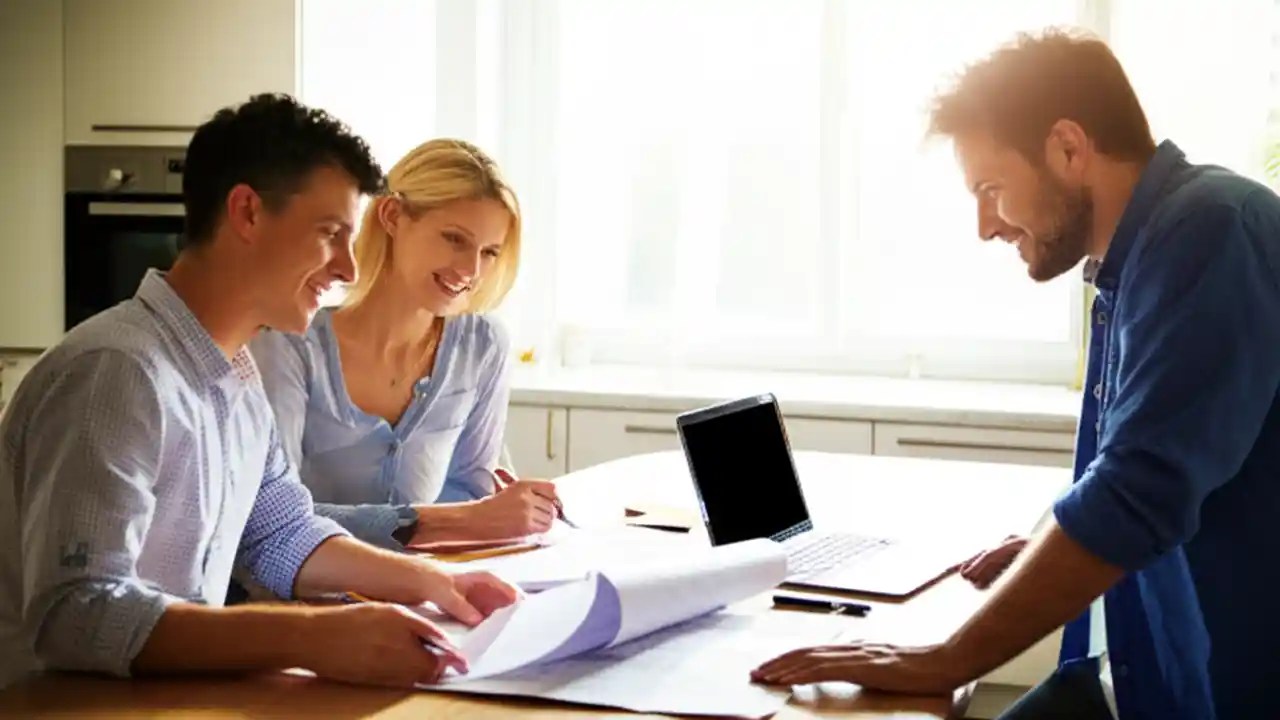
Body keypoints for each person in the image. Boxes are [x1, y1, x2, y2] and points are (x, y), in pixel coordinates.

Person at [752, 29, 1280, 720]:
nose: (986, 226)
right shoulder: (1142, 257)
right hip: (1139, 680)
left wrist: (946, 658)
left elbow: (1136, 492)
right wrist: (1047, 548)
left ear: (1068, 148)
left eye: (991, 189)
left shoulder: (1211, 232)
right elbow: (1138, 466)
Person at [0, 94, 519, 690]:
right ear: (247, 213)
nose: (348, 269)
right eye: (329, 233)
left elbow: (280, 532)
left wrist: (439, 585)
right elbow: (76, 614)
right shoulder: (117, 372)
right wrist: (313, 638)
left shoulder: (238, 376)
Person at [249, 139, 559, 552]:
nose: (470, 270)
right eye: (454, 239)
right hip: (311, 589)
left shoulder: (483, 347)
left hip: (430, 582)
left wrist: (505, 515)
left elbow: (470, 493)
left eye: (489, 252)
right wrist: (450, 521)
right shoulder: (288, 347)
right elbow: (270, 519)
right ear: (392, 216)